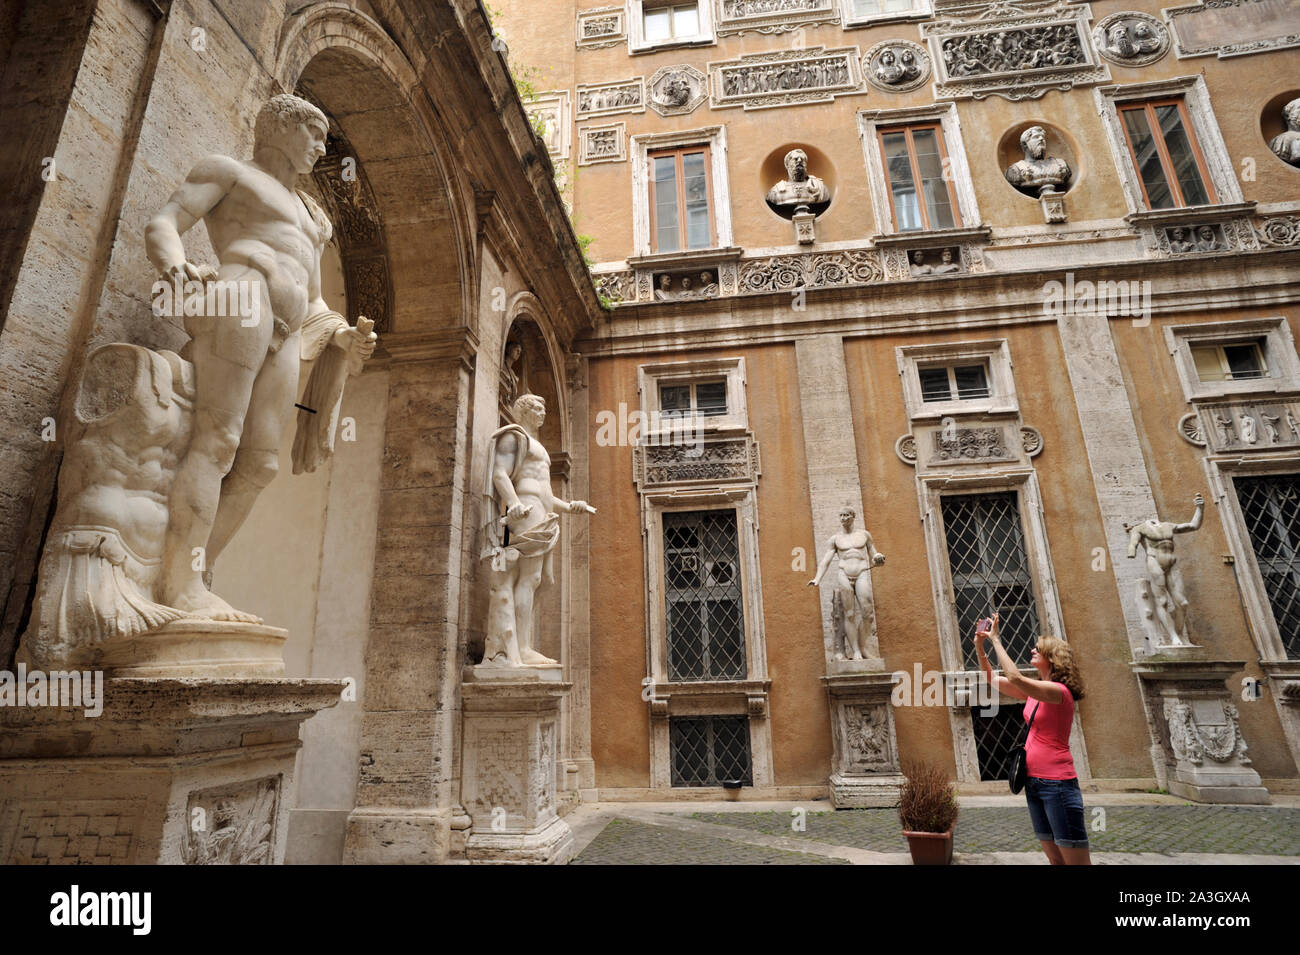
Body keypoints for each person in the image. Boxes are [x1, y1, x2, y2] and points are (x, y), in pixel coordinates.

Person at [974, 613, 1091, 865]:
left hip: (1057, 785)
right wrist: (979, 646)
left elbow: (1015, 677)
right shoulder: (1036, 690)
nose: (1032, 650)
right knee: (1055, 860)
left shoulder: (1058, 692)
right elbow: (991, 678)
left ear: (1052, 658)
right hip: (1035, 783)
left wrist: (996, 640)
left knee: (1075, 862)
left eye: (1038, 649)